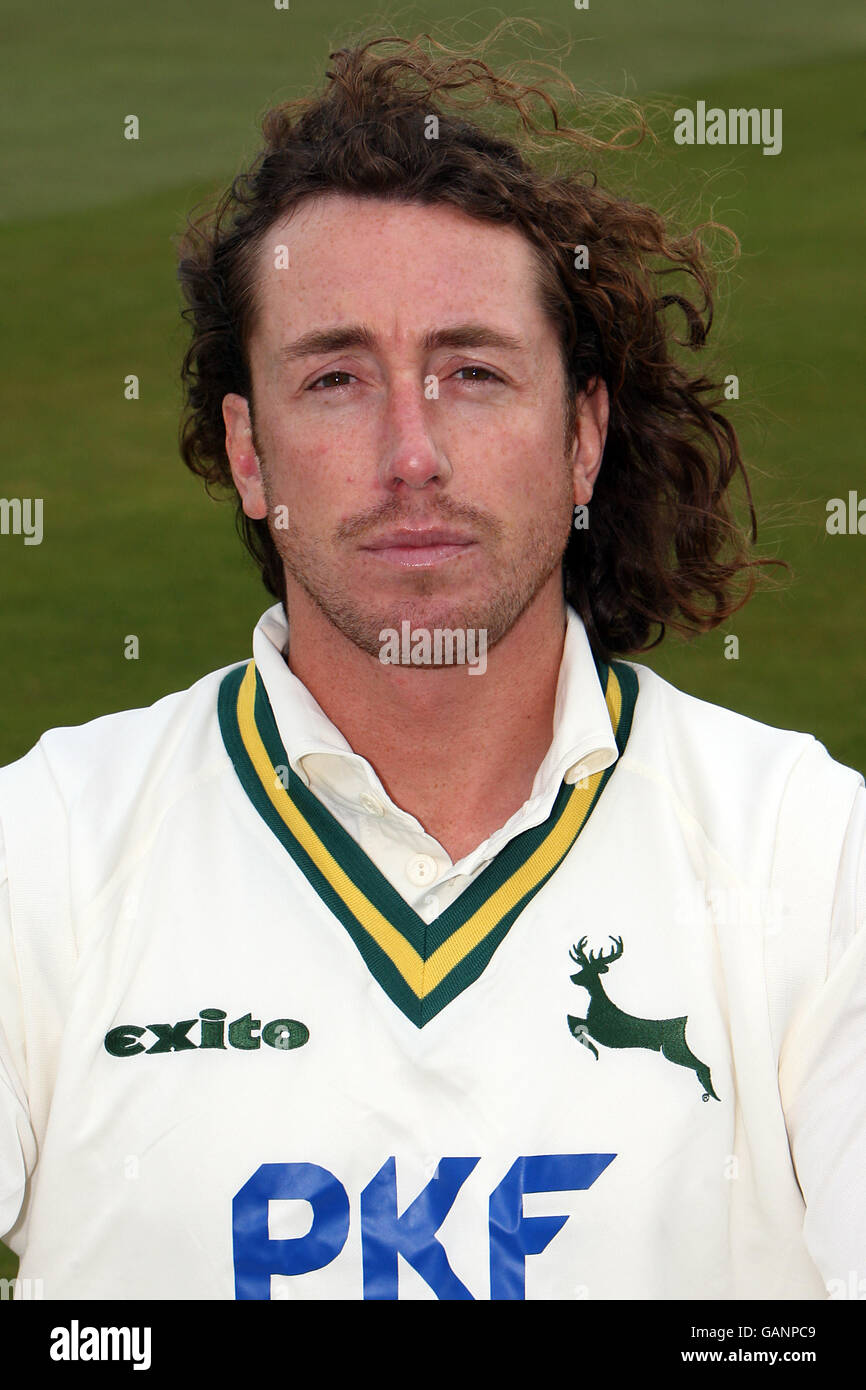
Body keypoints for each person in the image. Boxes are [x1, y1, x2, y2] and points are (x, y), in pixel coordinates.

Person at [1, 32, 863, 1302]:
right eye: (337, 377)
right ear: (248, 452)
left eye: (471, 372)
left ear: (579, 438)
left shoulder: (808, 855)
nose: (412, 452)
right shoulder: (50, 848)